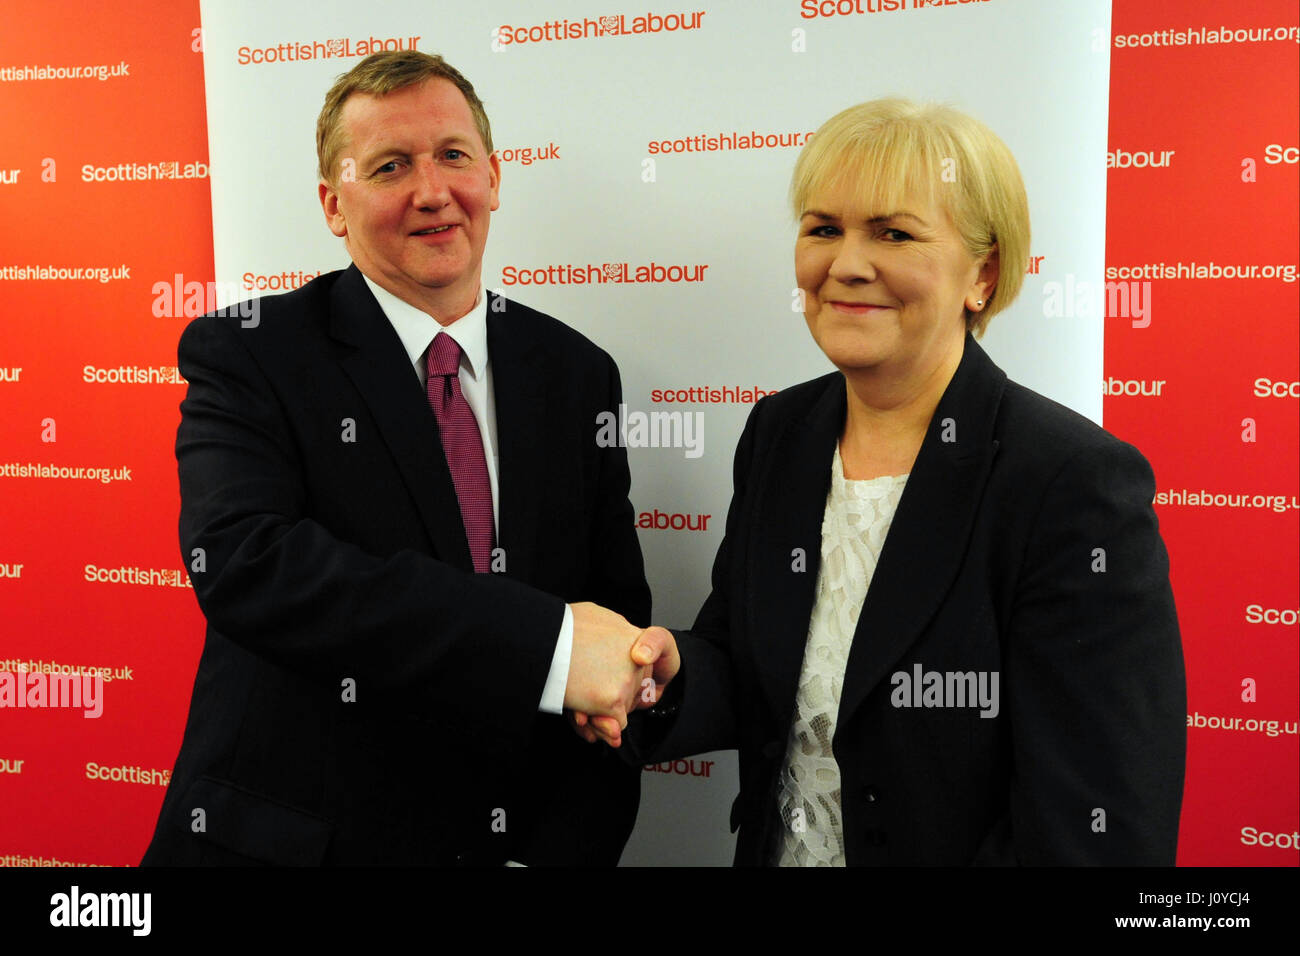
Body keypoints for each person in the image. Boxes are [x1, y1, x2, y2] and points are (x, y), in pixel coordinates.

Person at [578, 98, 1187, 865]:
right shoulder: (780, 434)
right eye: (824, 228)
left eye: (893, 233)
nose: (847, 263)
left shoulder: (1069, 481)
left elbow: (1100, 824)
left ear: (985, 272)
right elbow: (749, 663)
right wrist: (667, 674)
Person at [142, 50, 654, 866]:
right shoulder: (251, 352)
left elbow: (612, 628)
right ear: (333, 206)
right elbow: (245, 563)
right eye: (389, 166)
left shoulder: (575, 372)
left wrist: (567, 842)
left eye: (453, 156)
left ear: (492, 175)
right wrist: (545, 647)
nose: (431, 191)